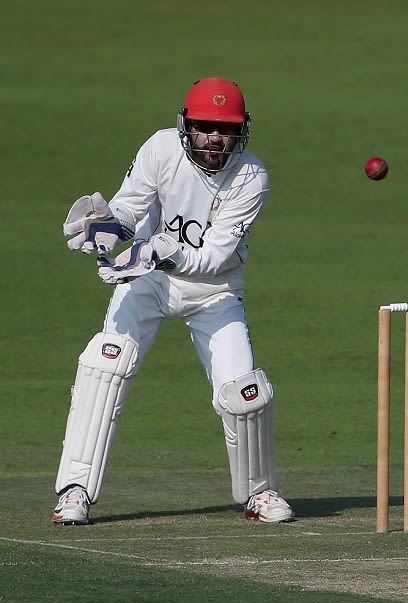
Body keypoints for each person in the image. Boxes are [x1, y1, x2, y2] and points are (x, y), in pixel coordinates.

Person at [54, 77, 295, 524]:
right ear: (186, 124)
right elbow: (129, 208)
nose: (214, 137)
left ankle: (259, 494)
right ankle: (75, 491)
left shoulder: (251, 177)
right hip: (146, 281)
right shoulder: (162, 148)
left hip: (214, 293)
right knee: (106, 365)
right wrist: (107, 226)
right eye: (204, 126)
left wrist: (161, 251)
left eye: (225, 129)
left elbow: (215, 258)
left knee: (245, 395)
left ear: (240, 131)